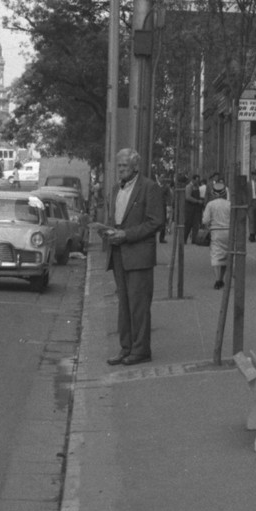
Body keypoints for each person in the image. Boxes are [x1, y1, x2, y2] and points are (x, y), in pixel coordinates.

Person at [101, 146, 167, 365]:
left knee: (138, 305)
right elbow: (114, 217)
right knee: (124, 304)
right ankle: (126, 348)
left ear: (135, 166)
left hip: (138, 254)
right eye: (118, 165)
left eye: (125, 166)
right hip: (118, 251)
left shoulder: (149, 188)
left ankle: (140, 350)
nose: (120, 170)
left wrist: (126, 235)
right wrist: (107, 230)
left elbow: (156, 221)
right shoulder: (115, 189)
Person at [202, 177, 233, 289]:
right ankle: (222, 278)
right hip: (229, 231)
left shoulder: (210, 205)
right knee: (226, 255)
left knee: (216, 255)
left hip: (215, 231)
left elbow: (205, 220)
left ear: (214, 193)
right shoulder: (229, 204)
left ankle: (217, 279)